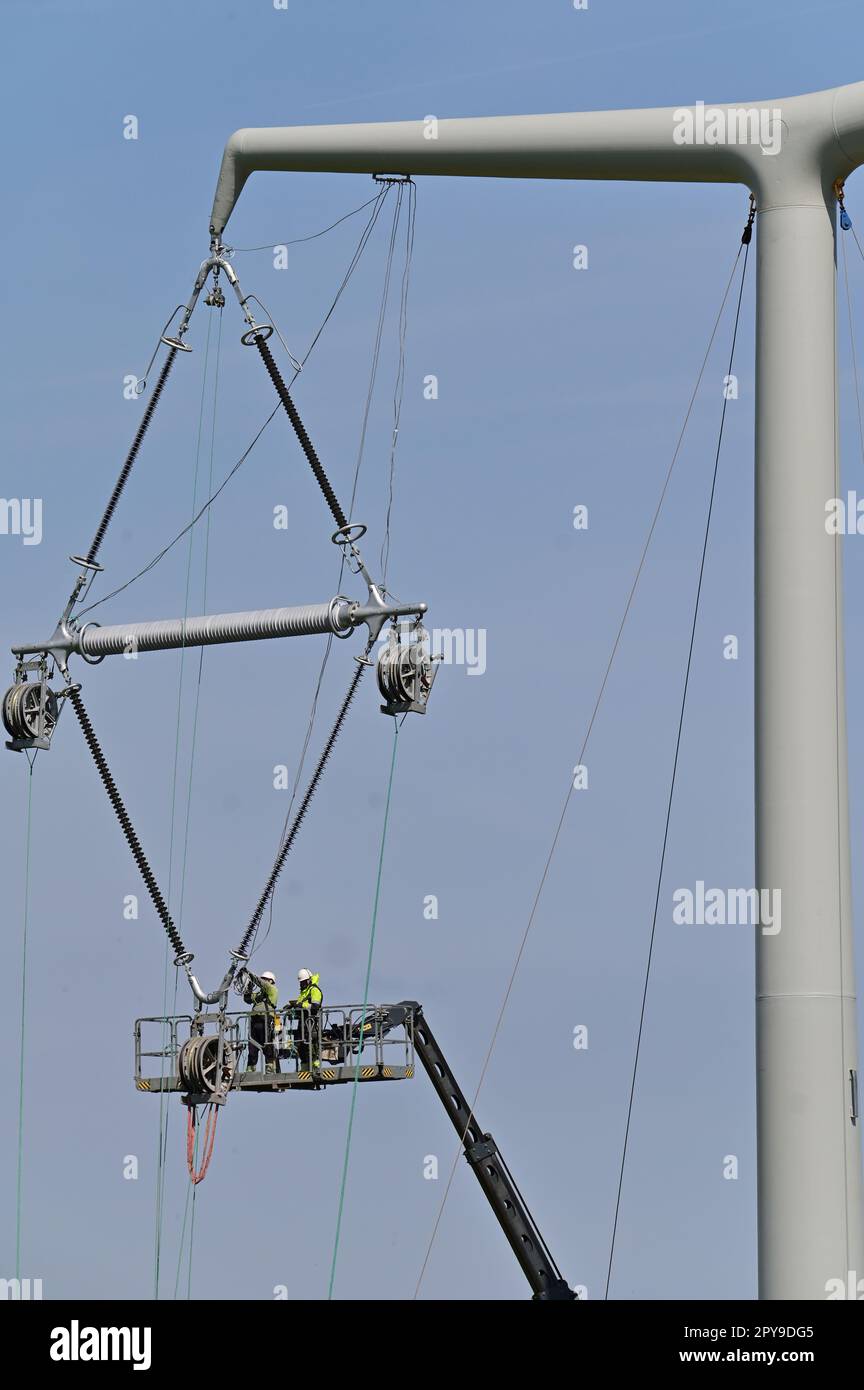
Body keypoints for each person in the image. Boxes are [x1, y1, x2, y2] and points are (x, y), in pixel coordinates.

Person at [285, 969, 323, 1074]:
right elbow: (300, 1005)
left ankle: (315, 1068)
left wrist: (301, 1005)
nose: (301, 984)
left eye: (303, 982)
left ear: (309, 980)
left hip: (312, 1022)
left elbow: (315, 1006)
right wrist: (292, 1007)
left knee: (312, 1045)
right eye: (300, 982)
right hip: (303, 1022)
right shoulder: (304, 992)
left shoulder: (314, 990)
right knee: (301, 1045)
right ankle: (305, 1068)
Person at [245, 970, 279, 1074]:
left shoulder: (272, 990)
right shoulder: (260, 994)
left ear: (271, 981)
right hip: (254, 1020)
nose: (262, 981)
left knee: (267, 1043)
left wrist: (250, 974)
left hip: (266, 1019)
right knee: (252, 1046)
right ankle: (251, 1069)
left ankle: (270, 1067)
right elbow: (247, 999)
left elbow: (262, 984)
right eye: (262, 979)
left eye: (264, 979)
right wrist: (248, 986)